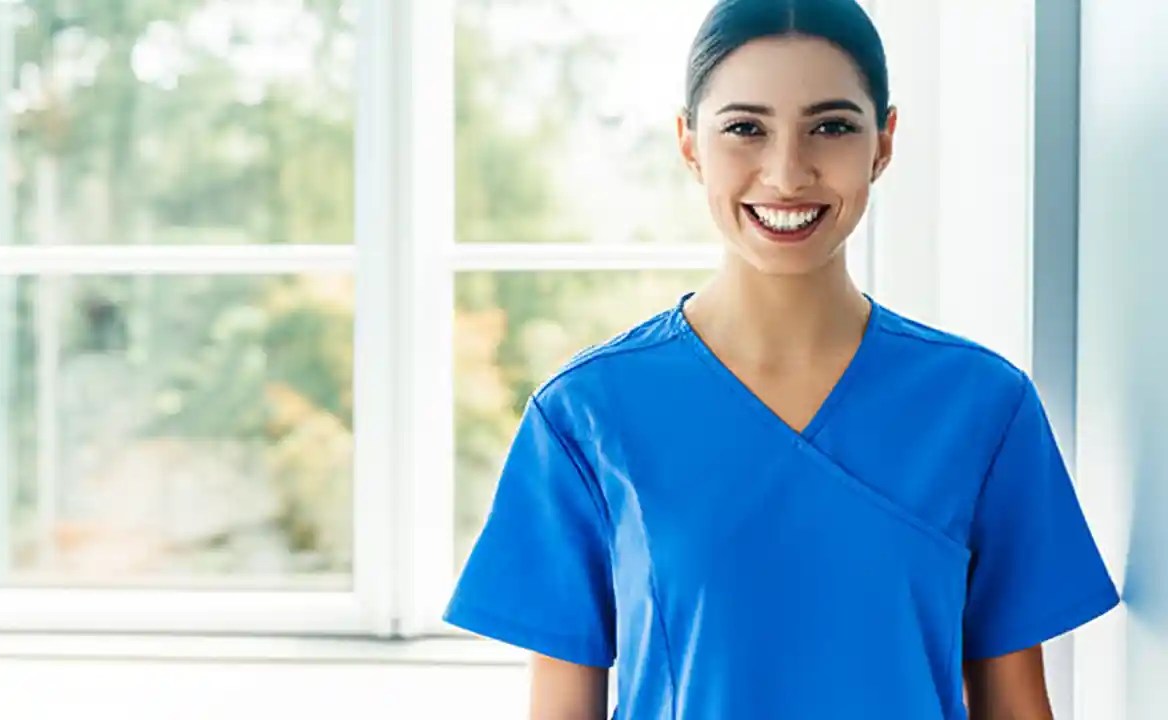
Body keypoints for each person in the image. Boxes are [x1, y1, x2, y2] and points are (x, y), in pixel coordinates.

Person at [443, 0, 1120, 717]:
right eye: (744, 129)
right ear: (689, 143)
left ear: (883, 143)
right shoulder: (586, 415)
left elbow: (1015, 705)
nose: (787, 172)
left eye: (831, 127)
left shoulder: (983, 408)